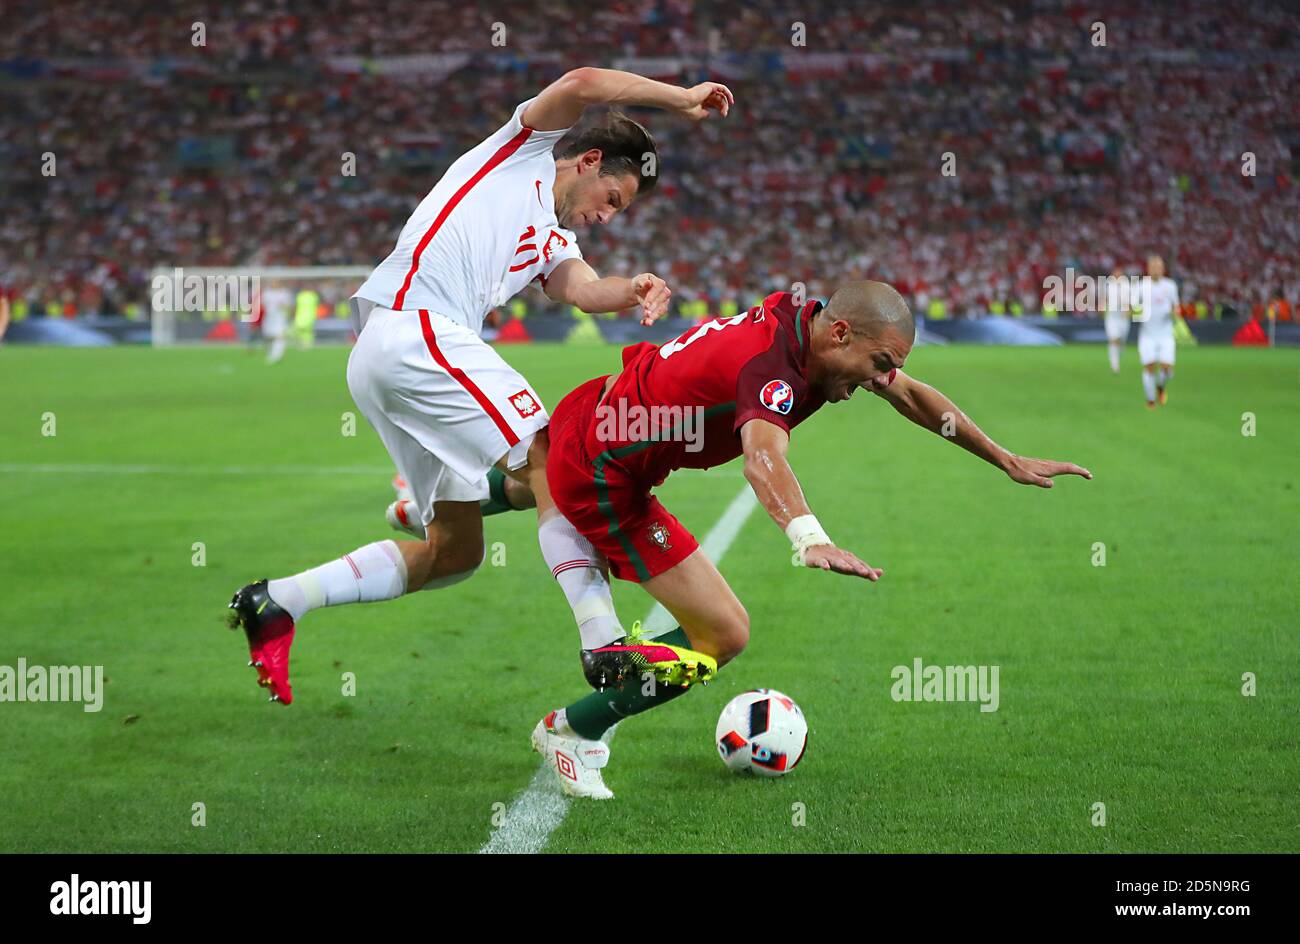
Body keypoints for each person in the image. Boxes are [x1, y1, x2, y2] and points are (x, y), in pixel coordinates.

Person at [226, 68, 735, 704]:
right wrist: (680, 97)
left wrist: (631, 287)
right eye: (612, 198)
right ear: (590, 160)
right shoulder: (518, 151)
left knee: (453, 554)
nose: (606, 217)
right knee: (557, 460)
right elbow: (581, 82)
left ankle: (278, 601)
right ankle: (602, 638)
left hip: (390, 359)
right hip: (417, 328)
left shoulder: (554, 240)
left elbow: (581, 289)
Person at [529, 281, 1092, 797]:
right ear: (841, 332)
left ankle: (490, 493)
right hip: (604, 470)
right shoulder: (773, 365)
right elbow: (763, 459)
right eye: (878, 364)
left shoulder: (807, 330)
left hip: (598, 416)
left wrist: (1004, 458)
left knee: (528, 485)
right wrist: (809, 537)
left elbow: (914, 396)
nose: (878, 379)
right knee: (721, 634)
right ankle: (574, 726)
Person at [1137, 255, 1179, 408]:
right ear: (1148, 269)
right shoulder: (1141, 286)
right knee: (1149, 366)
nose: (1156, 270)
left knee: (1166, 368)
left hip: (1166, 334)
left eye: (1158, 267)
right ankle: (1150, 400)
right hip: (1147, 334)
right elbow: (1133, 307)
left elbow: (1176, 307)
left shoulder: (1170, 286)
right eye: (1153, 267)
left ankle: (1160, 385)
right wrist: (1135, 312)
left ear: (1163, 269)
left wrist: (1175, 313)